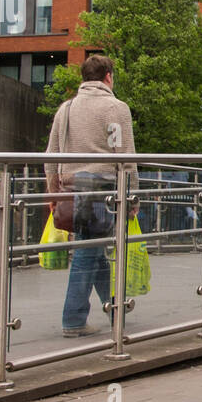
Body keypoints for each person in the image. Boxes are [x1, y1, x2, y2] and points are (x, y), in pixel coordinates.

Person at [45, 54, 137, 337]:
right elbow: (124, 155)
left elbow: (51, 155)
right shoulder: (115, 108)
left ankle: (114, 309)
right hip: (101, 190)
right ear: (108, 76)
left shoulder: (66, 109)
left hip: (71, 188)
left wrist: (52, 192)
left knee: (94, 251)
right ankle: (73, 319)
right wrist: (132, 196)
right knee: (88, 251)